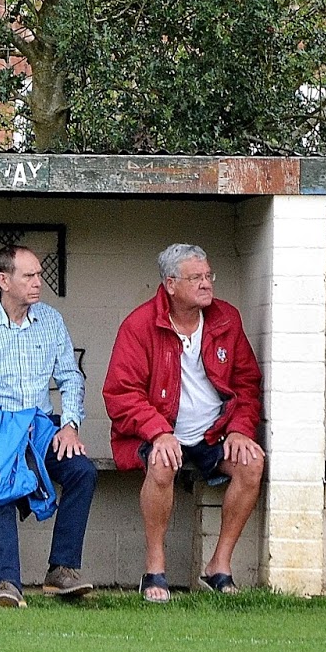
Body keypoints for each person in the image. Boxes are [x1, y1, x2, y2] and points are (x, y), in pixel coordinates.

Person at [104, 243, 264, 603]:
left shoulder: (227, 318)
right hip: (160, 432)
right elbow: (120, 393)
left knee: (252, 462)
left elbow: (246, 383)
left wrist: (240, 428)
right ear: (170, 284)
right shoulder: (139, 324)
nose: (207, 284)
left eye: (209, 276)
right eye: (197, 278)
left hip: (214, 433)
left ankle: (218, 567)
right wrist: (159, 431)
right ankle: (154, 567)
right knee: (162, 463)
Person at [0, 245, 96, 607]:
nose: (37, 283)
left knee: (83, 472)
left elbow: (71, 379)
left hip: (42, 426)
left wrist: (71, 426)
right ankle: (7, 585)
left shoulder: (52, 320)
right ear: (4, 280)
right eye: (28, 276)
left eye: (39, 275)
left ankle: (61, 570)